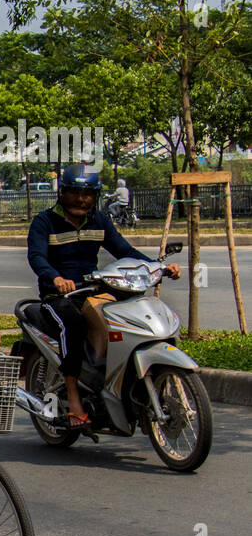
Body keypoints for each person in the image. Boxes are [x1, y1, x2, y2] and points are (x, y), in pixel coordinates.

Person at [27, 164, 178, 427]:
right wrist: (55, 278)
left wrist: (158, 266)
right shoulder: (44, 222)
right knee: (72, 325)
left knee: (132, 314)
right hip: (58, 295)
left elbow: (124, 250)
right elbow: (37, 257)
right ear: (62, 193)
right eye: (74, 192)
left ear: (96, 196)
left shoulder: (100, 220)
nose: (81, 198)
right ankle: (74, 397)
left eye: (88, 193)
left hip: (94, 289)